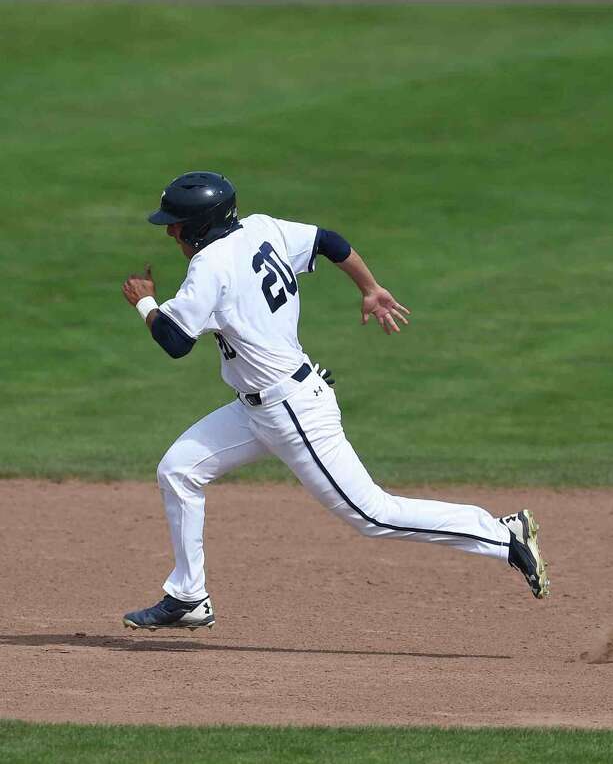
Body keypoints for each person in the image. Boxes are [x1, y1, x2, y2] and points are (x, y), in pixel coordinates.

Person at [120, 171, 548, 630]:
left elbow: (174, 341)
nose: (170, 232)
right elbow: (330, 240)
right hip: (257, 407)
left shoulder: (209, 268)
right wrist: (369, 287)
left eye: (176, 224)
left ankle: (501, 535)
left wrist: (146, 303)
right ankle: (188, 596)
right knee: (178, 470)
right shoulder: (261, 228)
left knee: (372, 514)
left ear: (199, 226)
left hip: (291, 411)